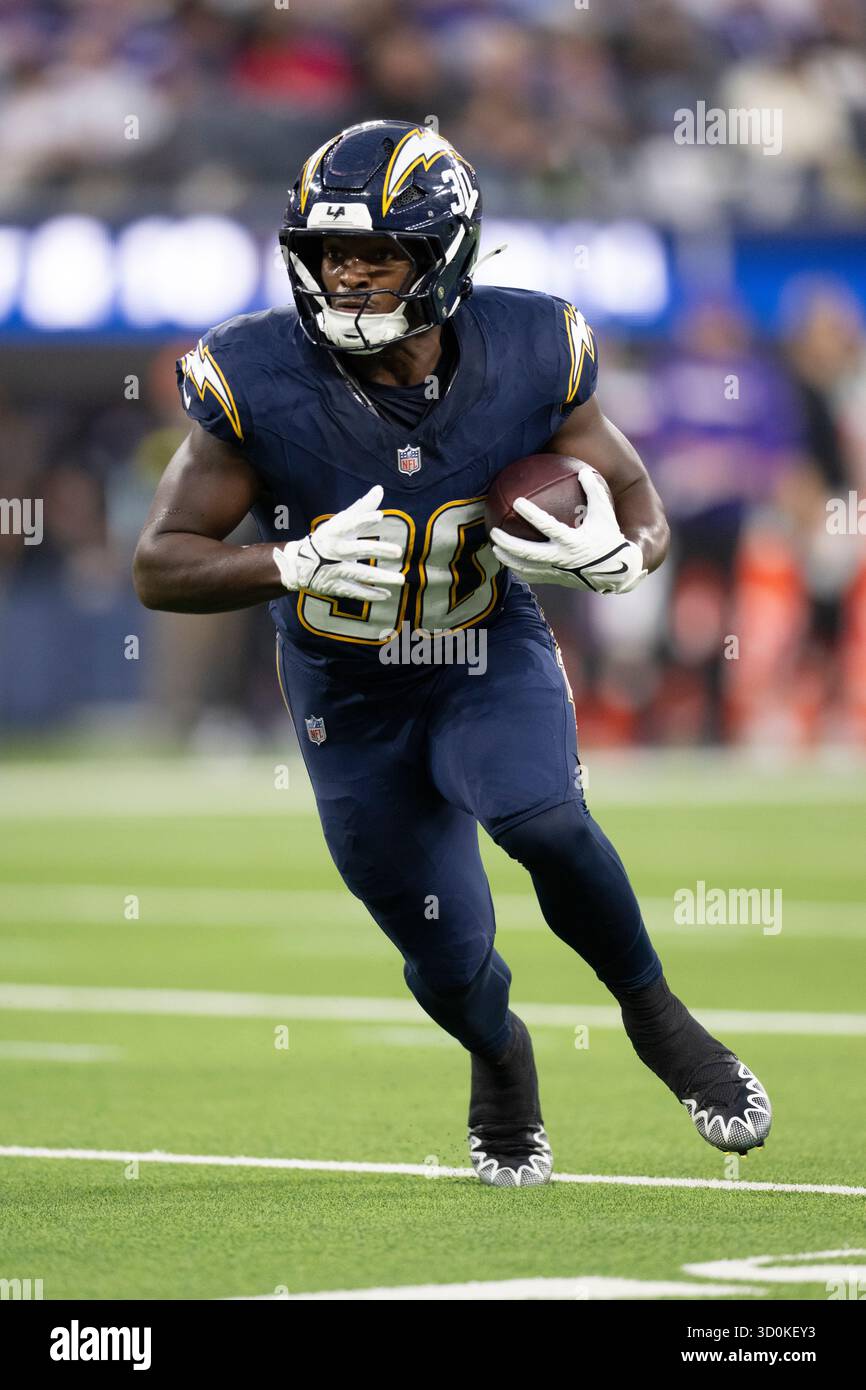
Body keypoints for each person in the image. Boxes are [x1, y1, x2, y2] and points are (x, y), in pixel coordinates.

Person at [133, 121, 771, 1186]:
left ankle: (658, 1020)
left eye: (375, 255)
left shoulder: (530, 348)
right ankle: (501, 1057)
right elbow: (158, 564)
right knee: (447, 956)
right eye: (330, 255)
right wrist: (285, 564)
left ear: (445, 255)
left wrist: (629, 554)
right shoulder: (255, 375)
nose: (345, 278)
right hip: (348, 695)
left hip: (481, 652)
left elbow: (635, 494)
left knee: (543, 819)